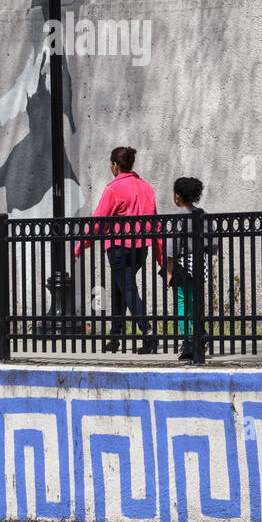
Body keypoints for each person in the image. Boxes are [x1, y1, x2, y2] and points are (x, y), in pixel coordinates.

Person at [74, 146, 164, 354]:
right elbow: (156, 224)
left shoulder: (113, 189)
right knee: (120, 289)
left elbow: (98, 221)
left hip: (119, 249)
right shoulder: (146, 188)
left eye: (111, 165)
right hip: (141, 250)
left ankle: (149, 333)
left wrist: (82, 244)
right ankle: (115, 337)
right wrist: (159, 255)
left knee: (129, 290)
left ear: (115, 165)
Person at [162, 176, 216, 361]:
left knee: (182, 302)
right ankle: (199, 335)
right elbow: (212, 243)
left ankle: (188, 341)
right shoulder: (202, 214)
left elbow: (171, 249)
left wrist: (169, 272)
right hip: (200, 263)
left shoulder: (177, 218)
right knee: (195, 301)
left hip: (183, 264)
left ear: (177, 196)